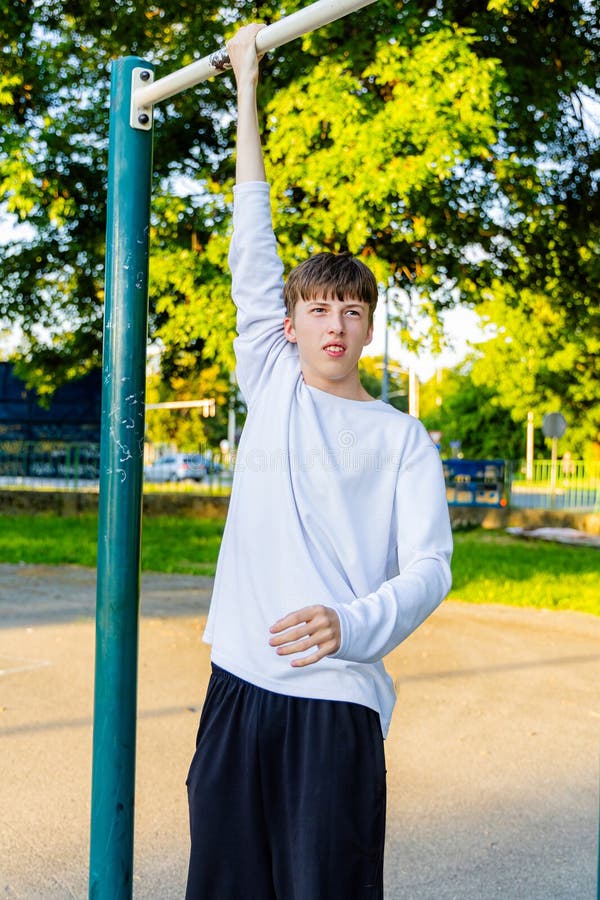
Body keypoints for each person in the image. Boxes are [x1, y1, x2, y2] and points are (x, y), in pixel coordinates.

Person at [185, 23, 453, 900]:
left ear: (368, 327)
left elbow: (430, 568)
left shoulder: (401, 439)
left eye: (353, 310)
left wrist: (353, 623)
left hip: (336, 702)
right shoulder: (271, 383)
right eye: (320, 308)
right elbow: (251, 242)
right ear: (290, 324)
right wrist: (246, 82)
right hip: (239, 688)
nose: (335, 324)